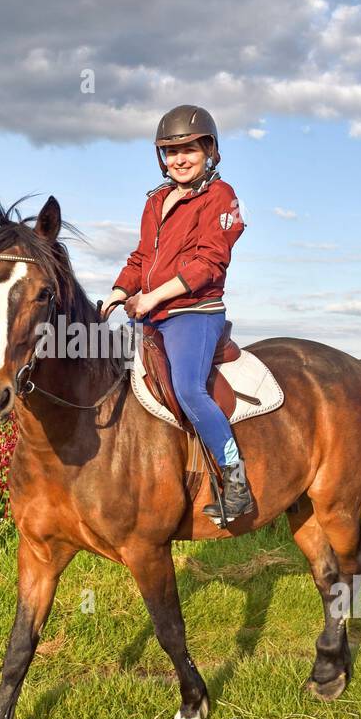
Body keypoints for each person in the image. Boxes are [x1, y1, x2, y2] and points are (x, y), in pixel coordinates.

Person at [100, 104, 253, 523]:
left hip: (193, 312)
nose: (180, 159)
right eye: (171, 151)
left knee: (188, 388)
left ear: (209, 151)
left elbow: (209, 263)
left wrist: (152, 298)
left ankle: (236, 482)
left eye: (189, 149)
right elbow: (140, 258)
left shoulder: (222, 197)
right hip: (148, 313)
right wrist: (118, 292)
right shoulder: (155, 201)